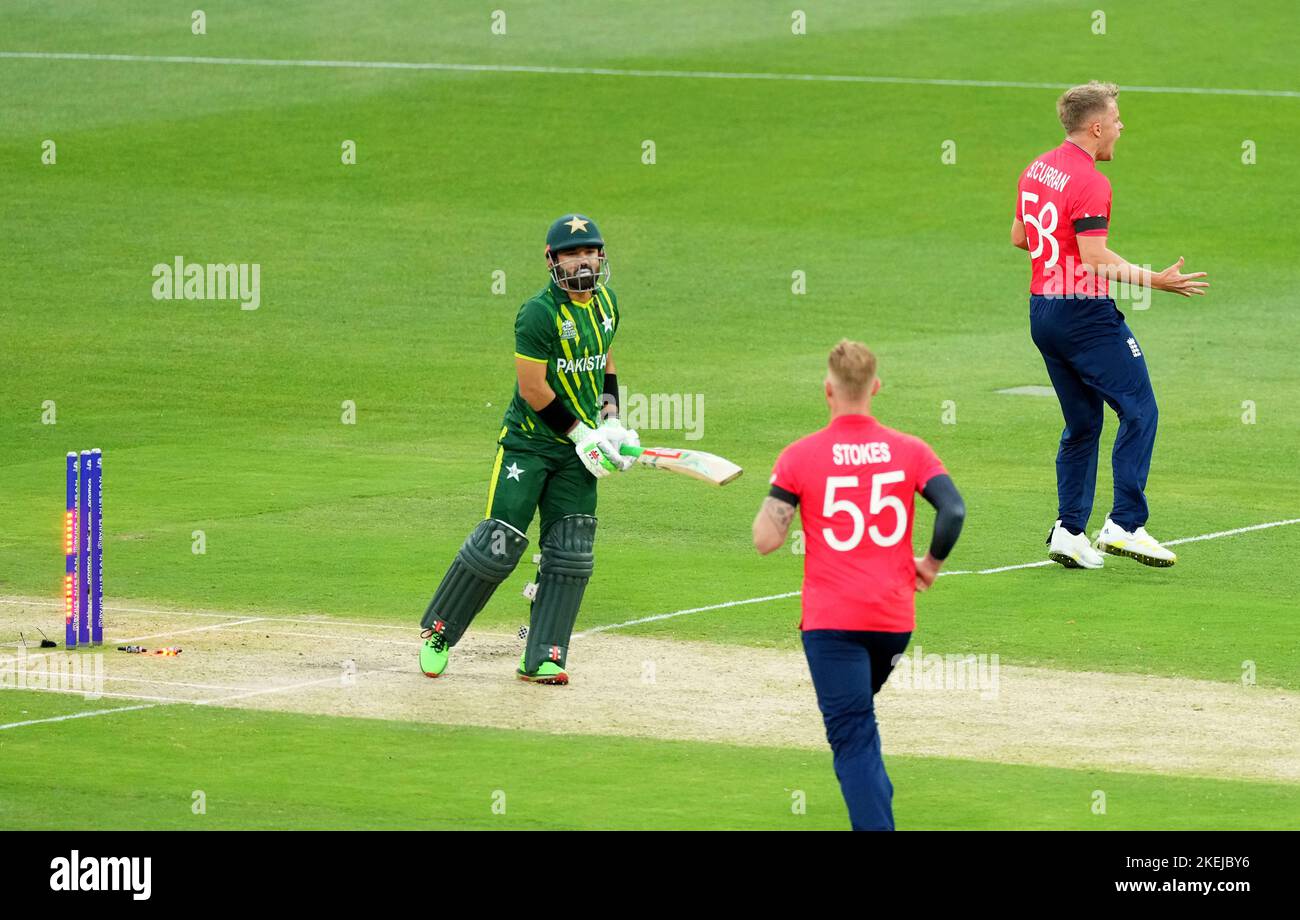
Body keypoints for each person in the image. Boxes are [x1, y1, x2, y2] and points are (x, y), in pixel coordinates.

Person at [753, 340, 965, 830]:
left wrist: (779, 497)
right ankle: (878, 797)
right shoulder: (911, 450)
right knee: (859, 724)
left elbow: (766, 540)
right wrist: (930, 564)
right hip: (893, 621)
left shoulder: (800, 456)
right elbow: (953, 509)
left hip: (832, 624)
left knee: (851, 735)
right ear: (876, 388)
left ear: (828, 390)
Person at [418, 214, 638, 685]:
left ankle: (541, 656)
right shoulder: (539, 313)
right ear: (551, 260)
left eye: (589, 252)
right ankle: (439, 632)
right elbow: (534, 389)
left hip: (576, 453)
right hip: (529, 445)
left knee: (571, 553)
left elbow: (605, 358)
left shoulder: (606, 305)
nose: (582, 262)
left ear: (601, 257)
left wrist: (612, 418)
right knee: (500, 544)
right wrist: (583, 434)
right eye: (571, 254)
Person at [1012, 81, 1208, 569]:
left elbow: (1021, 238)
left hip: (1044, 310)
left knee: (1082, 423)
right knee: (1140, 409)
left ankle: (1069, 530)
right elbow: (1095, 258)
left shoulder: (1038, 167)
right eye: (1117, 120)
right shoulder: (1091, 181)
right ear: (1096, 127)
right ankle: (1124, 524)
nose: (1122, 127)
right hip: (1084, 314)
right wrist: (1155, 281)